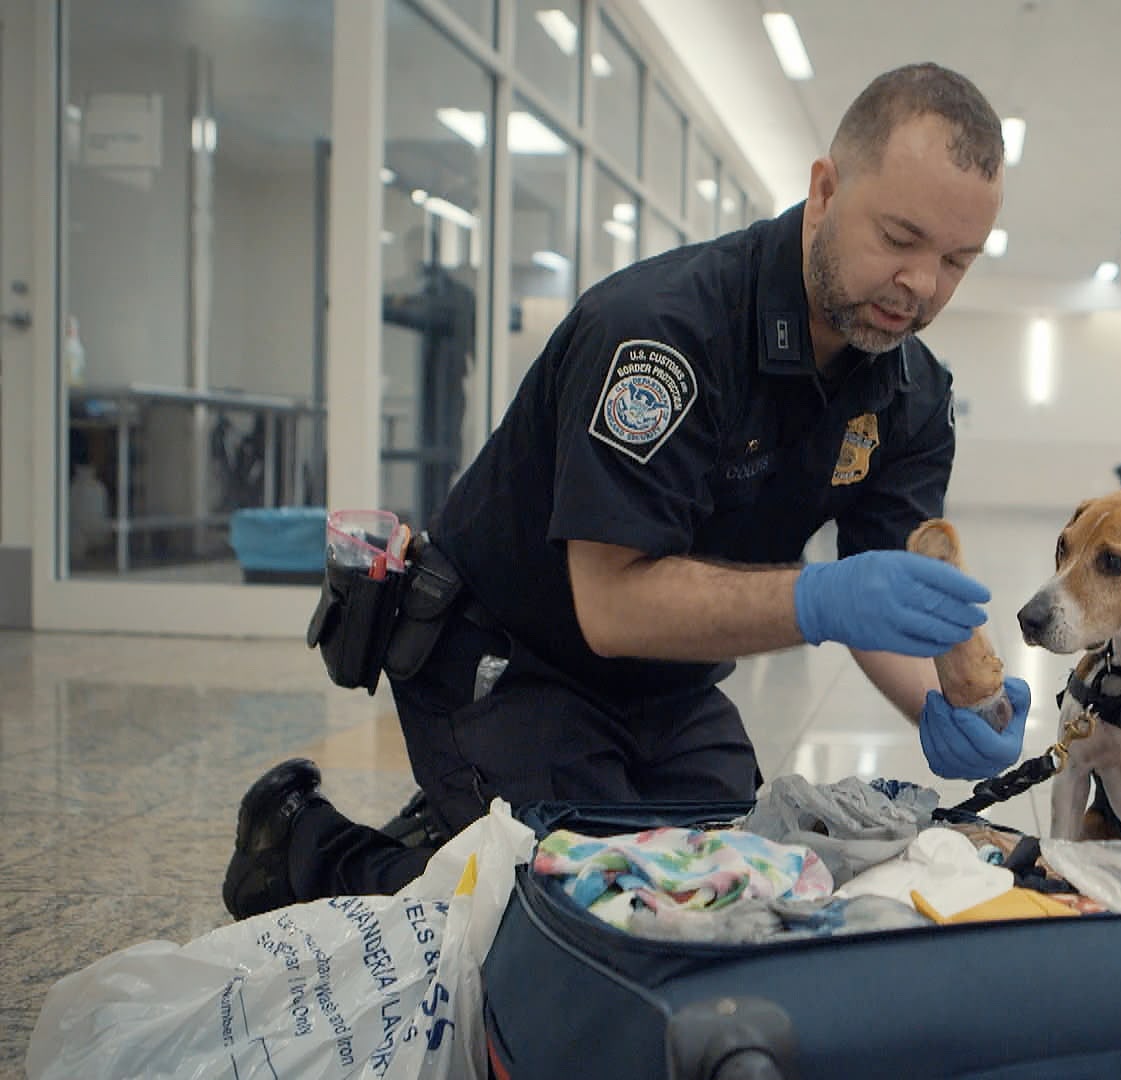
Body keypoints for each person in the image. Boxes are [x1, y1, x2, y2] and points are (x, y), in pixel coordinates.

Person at [222, 62, 1032, 920]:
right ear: (825, 191)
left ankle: (482, 821)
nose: (922, 286)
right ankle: (303, 845)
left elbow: (891, 599)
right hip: (506, 657)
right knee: (587, 913)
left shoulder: (909, 394)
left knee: (734, 887)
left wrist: (945, 704)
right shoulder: (663, 333)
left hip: (667, 682)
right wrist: (817, 598)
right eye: (900, 239)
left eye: (956, 261)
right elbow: (611, 605)